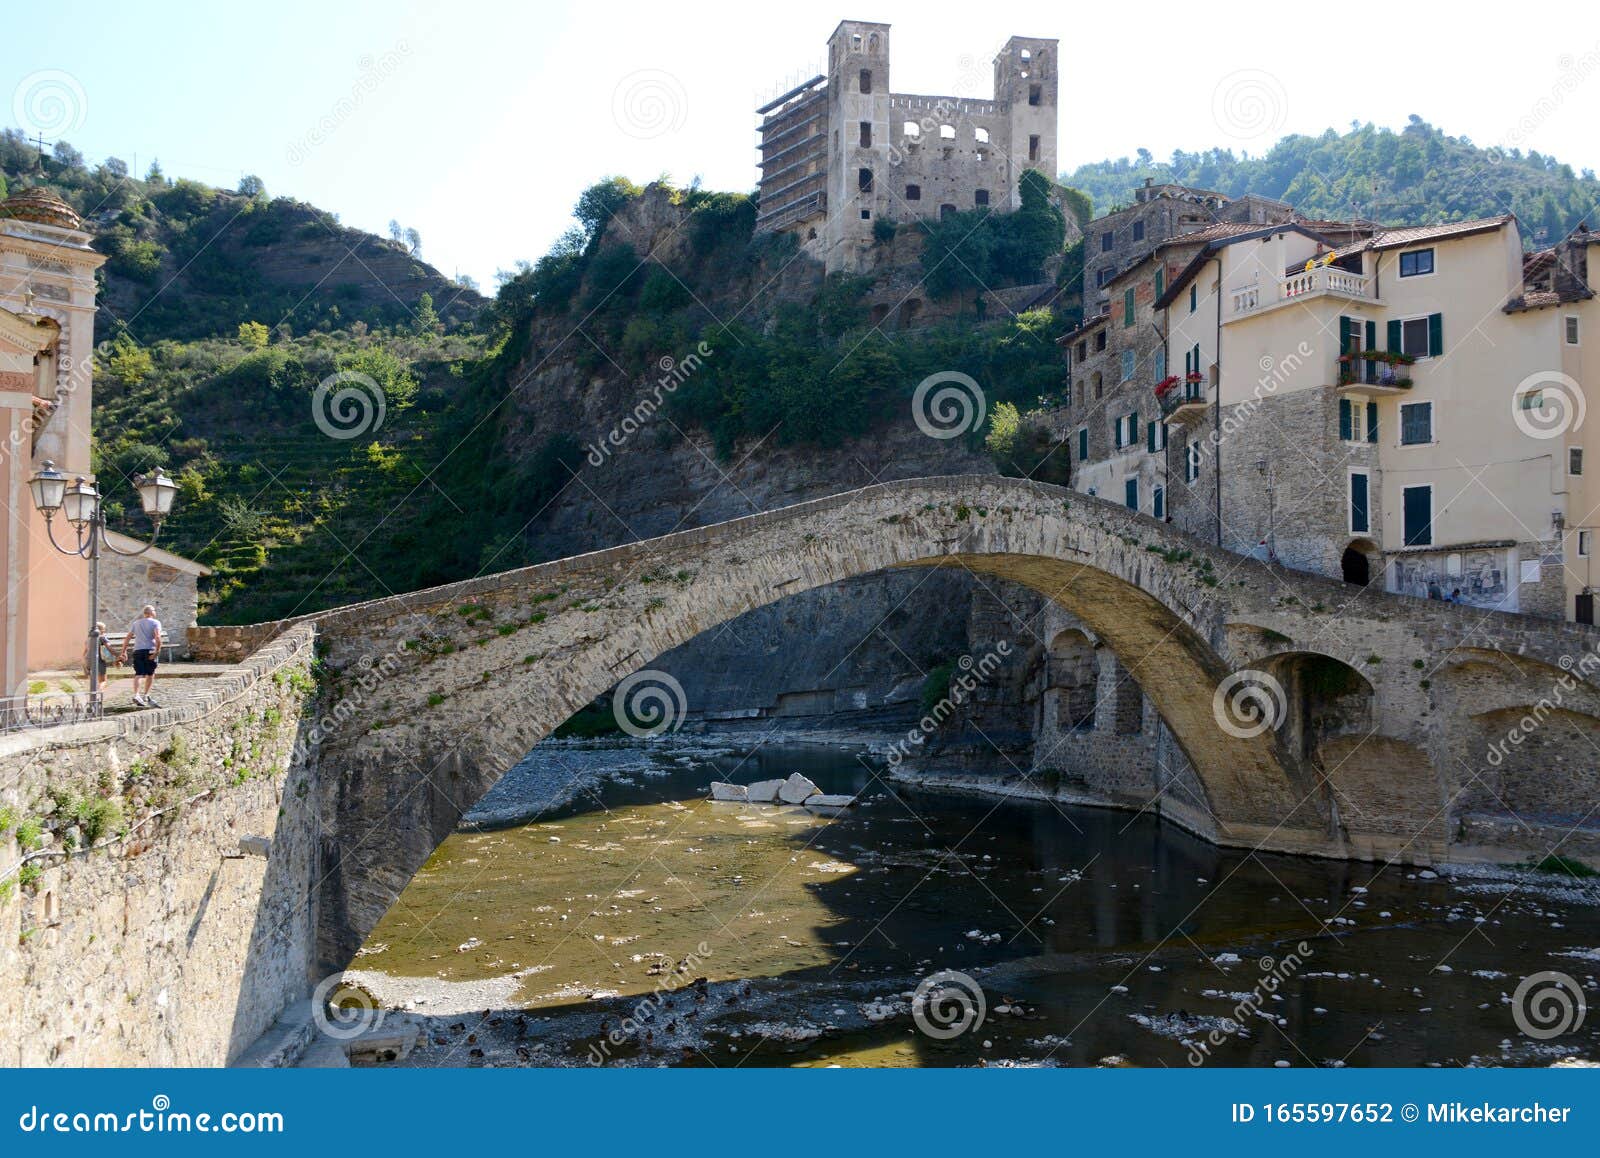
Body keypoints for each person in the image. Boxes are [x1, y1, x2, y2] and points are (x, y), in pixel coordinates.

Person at [118, 605, 163, 707]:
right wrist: (157, 651)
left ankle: (137, 695)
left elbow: (128, 637)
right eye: (155, 611)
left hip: (138, 650)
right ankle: (146, 695)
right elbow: (157, 637)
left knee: (138, 673)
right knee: (150, 674)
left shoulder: (136, 623)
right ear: (152, 612)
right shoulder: (156, 622)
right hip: (150, 650)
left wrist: (123, 651)